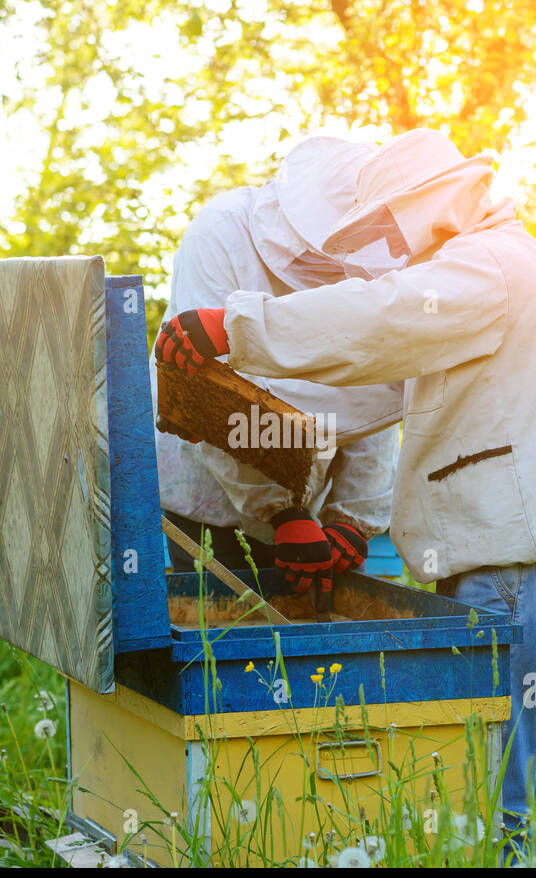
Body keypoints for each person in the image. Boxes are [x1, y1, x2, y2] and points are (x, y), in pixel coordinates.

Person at [155, 129, 536, 855]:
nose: (393, 241)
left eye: (396, 220)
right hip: (502, 560)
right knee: (479, 773)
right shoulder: (504, 262)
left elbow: (374, 324)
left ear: (441, 198)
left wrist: (233, 327)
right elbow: (376, 373)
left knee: (495, 787)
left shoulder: (485, 269)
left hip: (509, 566)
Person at [152, 135, 406, 592]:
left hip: (314, 491)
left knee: (323, 655)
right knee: (228, 645)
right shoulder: (221, 234)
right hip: (209, 495)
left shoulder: (384, 264)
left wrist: (351, 516)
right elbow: (210, 392)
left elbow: (378, 391)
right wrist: (280, 511)